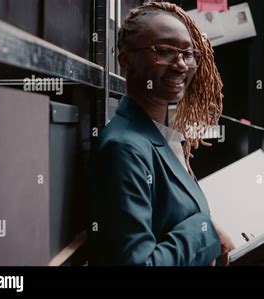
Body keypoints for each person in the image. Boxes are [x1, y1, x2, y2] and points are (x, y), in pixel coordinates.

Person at [91, 1, 234, 266]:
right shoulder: (124, 148)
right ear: (125, 59)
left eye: (188, 54)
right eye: (165, 51)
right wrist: (205, 233)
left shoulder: (159, 136)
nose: (180, 65)